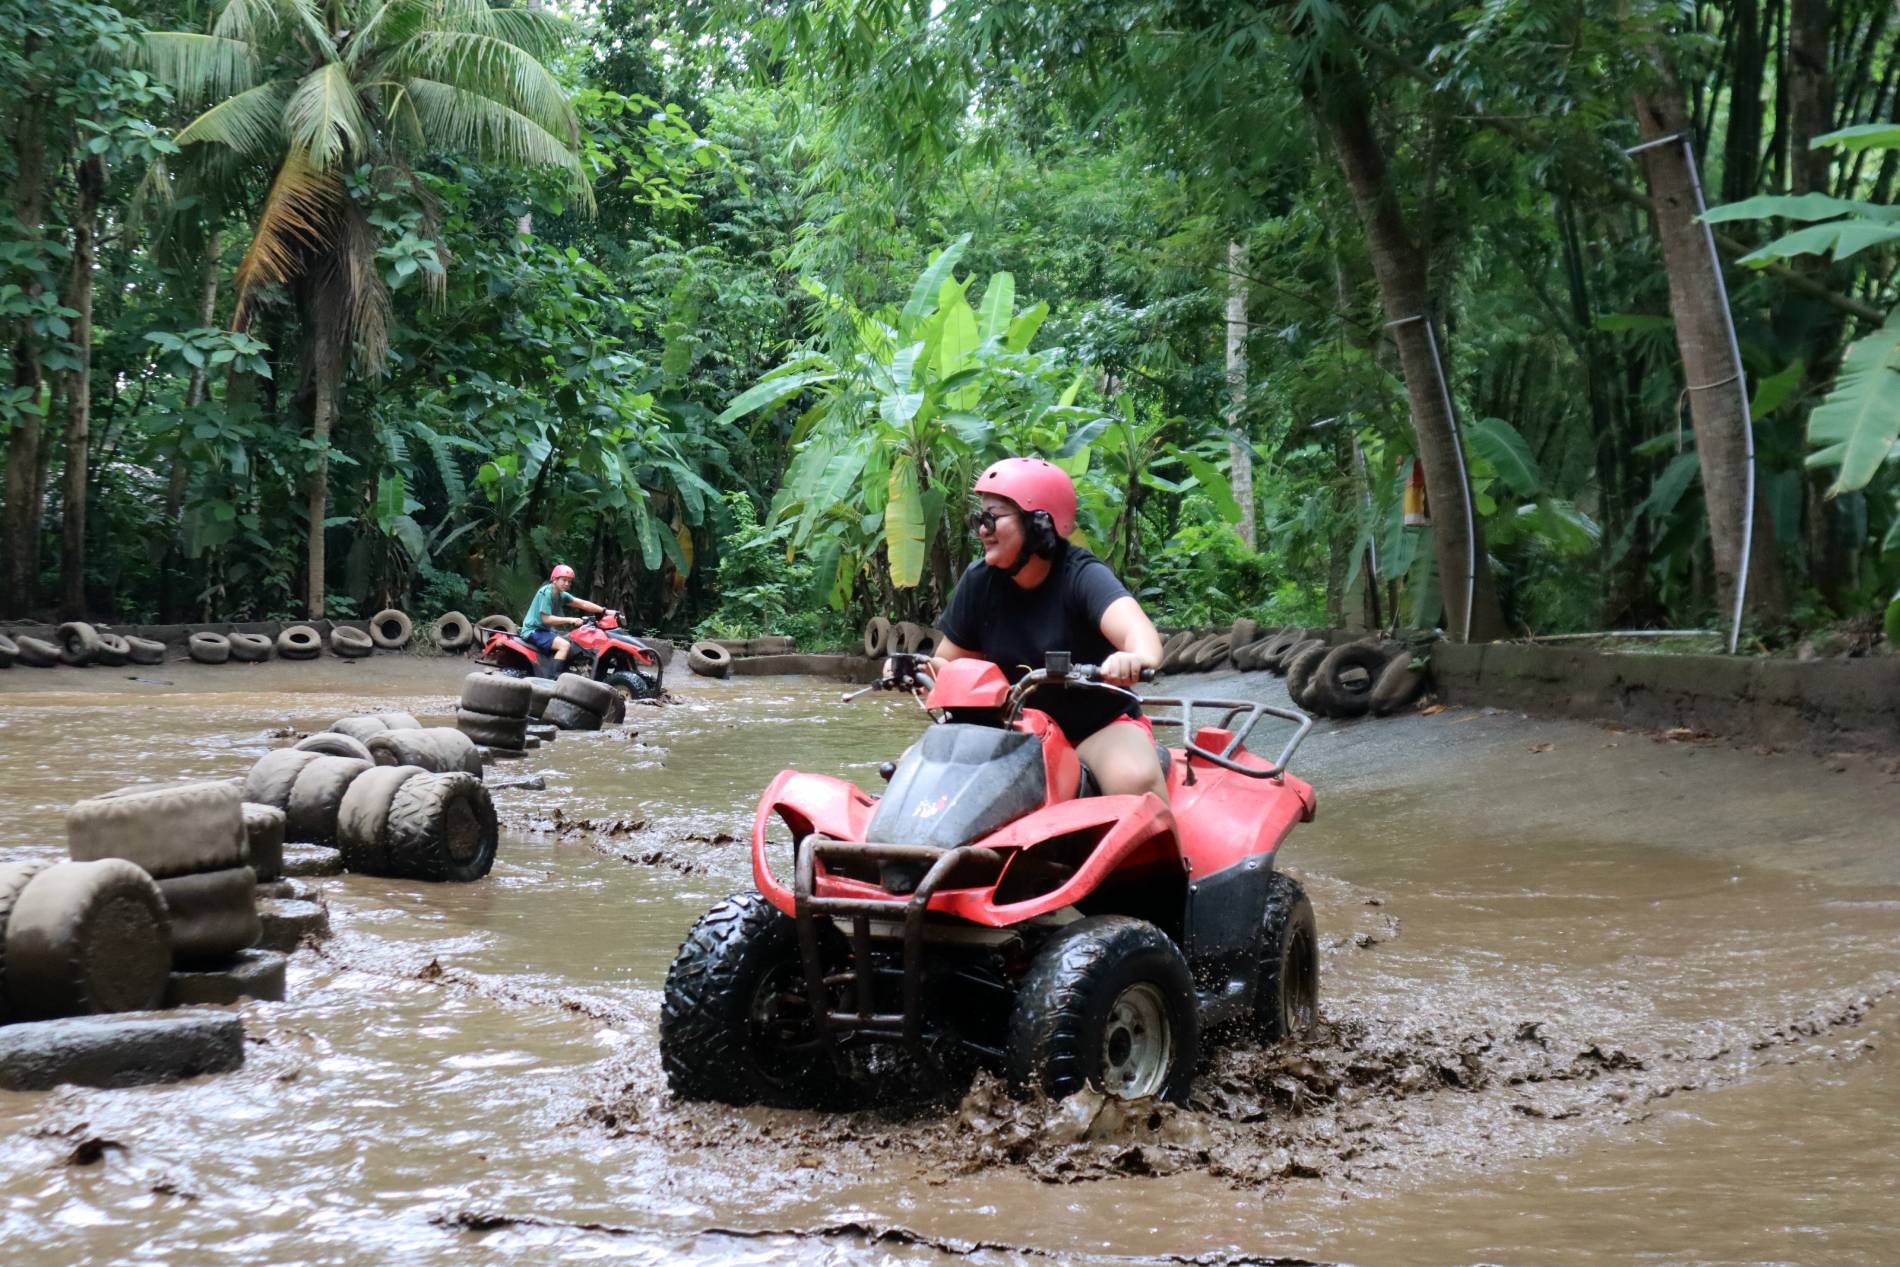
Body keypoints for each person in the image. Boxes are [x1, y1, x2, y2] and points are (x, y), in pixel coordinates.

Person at [926, 457, 1168, 802]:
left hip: (1095, 730)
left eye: (992, 519)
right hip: (1011, 732)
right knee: (916, 769)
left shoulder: (1081, 575)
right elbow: (948, 664)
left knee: (1134, 779)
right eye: (980, 519)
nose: (982, 530)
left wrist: (1134, 658)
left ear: (1040, 524)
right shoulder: (979, 582)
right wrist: (913, 667)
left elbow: (1138, 631)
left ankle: (1176, 858)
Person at [520, 564, 608, 667]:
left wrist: (603, 611)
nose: (567, 583)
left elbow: (582, 604)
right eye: (564, 580)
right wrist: (570, 619)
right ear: (555, 579)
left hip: (545, 631)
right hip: (533, 631)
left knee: (573, 640)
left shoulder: (561, 594)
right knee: (564, 646)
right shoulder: (546, 593)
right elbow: (546, 619)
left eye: (569, 581)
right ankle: (553, 679)